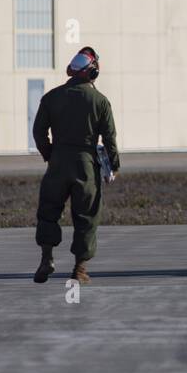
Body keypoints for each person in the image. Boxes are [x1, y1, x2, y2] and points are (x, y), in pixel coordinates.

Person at [31, 46, 119, 285]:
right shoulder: (100, 101)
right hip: (86, 165)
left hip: (58, 163)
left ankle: (46, 259)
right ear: (92, 72)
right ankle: (79, 269)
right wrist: (114, 165)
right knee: (86, 216)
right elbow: (110, 138)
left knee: (49, 211)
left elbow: (38, 131)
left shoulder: (50, 97)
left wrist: (50, 154)